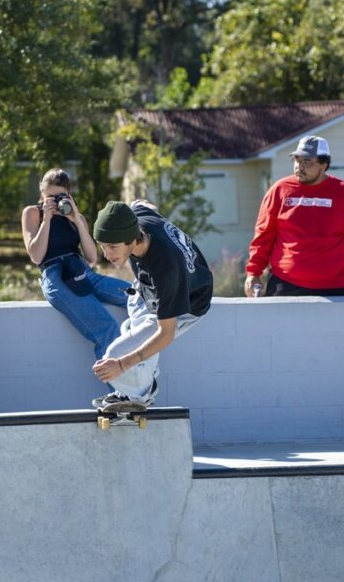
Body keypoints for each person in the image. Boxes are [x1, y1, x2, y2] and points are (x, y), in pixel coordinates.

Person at [90, 200, 213, 409]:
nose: (107, 254)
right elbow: (142, 204)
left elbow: (166, 334)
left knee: (114, 356)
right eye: (102, 246)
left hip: (188, 301)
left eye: (112, 247)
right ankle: (145, 378)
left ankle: (139, 395)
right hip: (150, 287)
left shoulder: (165, 267)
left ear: (131, 238)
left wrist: (121, 365)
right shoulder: (137, 215)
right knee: (131, 321)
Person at [244, 135, 344, 297]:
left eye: (307, 162)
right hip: (285, 285)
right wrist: (253, 272)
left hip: (336, 289)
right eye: (297, 160)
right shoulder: (279, 190)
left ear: (323, 165)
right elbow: (263, 236)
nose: (300, 166)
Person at [21, 168, 129, 359]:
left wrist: (77, 220)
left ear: (68, 194)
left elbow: (91, 258)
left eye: (59, 196)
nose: (54, 202)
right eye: (49, 197)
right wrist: (47, 220)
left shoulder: (75, 217)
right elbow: (36, 257)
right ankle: (122, 388)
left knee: (137, 295)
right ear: (41, 192)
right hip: (57, 277)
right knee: (106, 328)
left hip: (82, 271)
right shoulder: (33, 213)